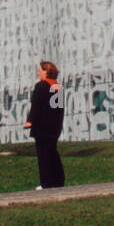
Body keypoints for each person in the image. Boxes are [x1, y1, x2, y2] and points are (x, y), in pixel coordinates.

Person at [23, 60, 65, 188]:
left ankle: (46, 183)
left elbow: (36, 106)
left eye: (40, 70)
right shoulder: (58, 87)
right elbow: (59, 109)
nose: (38, 72)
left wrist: (30, 121)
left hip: (42, 127)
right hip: (54, 127)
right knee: (53, 153)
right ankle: (58, 180)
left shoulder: (41, 86)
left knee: (43, 156)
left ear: (46, 72)